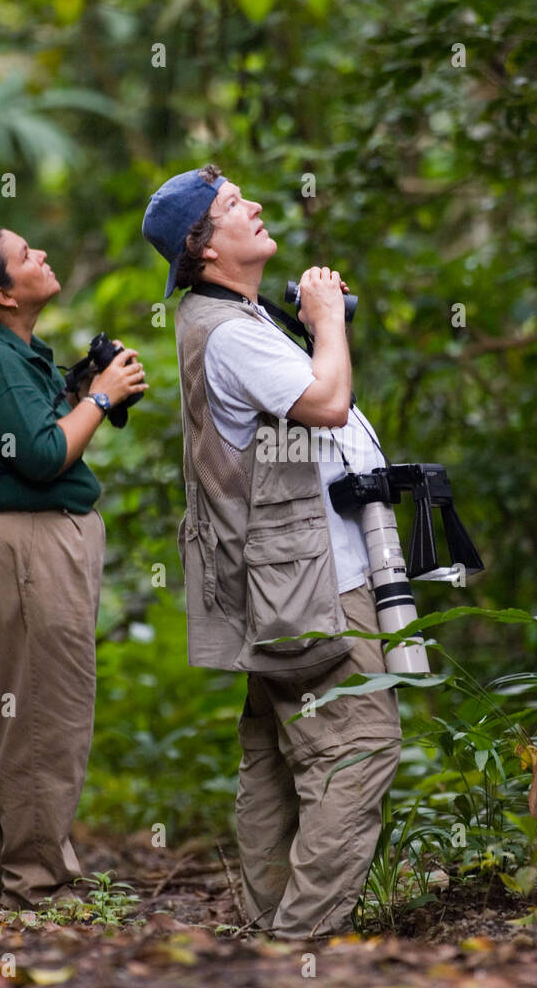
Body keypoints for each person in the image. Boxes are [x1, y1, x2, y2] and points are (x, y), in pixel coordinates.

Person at [143, 164, 402, 940]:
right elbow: (326, 403)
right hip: (310, 586)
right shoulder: (224, 334)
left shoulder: (230, 320)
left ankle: (266, 923)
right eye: (231, 206)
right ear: (204, 248)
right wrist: (327, 318)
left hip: (283, 578)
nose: (252, 205)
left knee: (275, 756)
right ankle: (301, 938)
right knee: (359, 746)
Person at [0, 227, 147, 910]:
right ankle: (38, 888)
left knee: (4, 709)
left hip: (17, 546)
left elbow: (34, 432)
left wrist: (81, 386)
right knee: (41, 714)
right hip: (22, 549)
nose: (44, 256)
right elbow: (42, 456)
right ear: (2, 293)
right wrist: (102, 397)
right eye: (27, 257)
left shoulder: (8, 353)